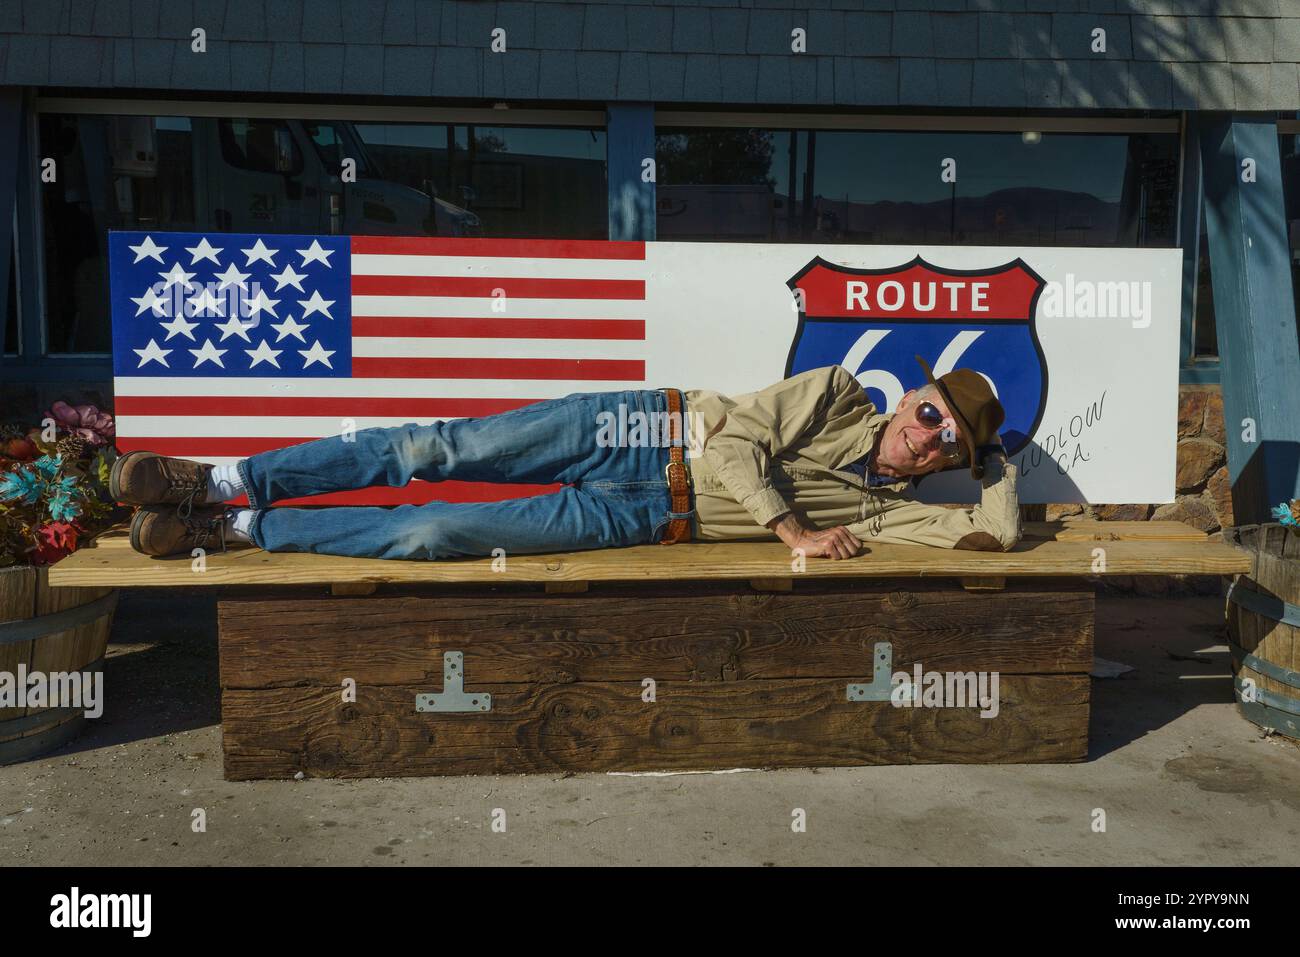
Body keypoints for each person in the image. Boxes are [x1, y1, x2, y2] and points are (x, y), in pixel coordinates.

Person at [111, 357, 1020, 561]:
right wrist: (793, 529)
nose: (930, 432)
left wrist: (993, 465)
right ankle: (223, 476)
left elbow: (990, 536)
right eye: (933, 411)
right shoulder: (834, 390)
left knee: (434, 531)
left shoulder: (889, 510)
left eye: (949, 441)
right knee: (435, 449)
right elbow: (737, 441)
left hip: (648, 516)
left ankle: (237, 528)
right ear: (911, 395)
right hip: (640, 430)